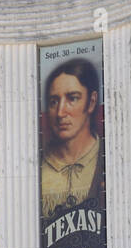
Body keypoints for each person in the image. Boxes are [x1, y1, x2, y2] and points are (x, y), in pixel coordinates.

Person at [40, 59, 105, 219]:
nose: (61, 112)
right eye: (54, 101)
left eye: (72, 98)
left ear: (91, 102)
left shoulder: (106, 157)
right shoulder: (39, 164)